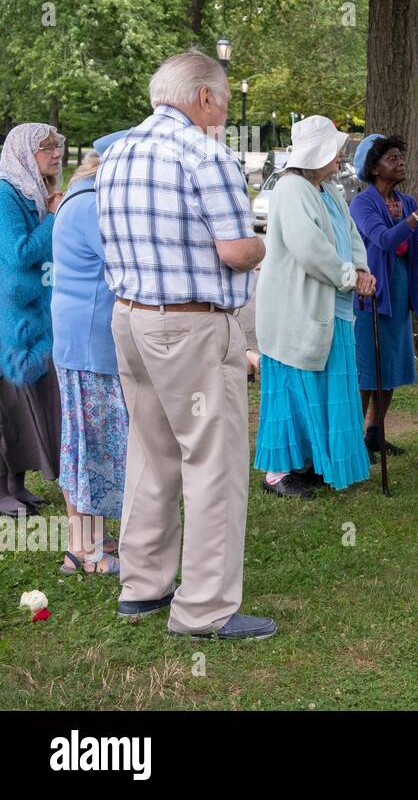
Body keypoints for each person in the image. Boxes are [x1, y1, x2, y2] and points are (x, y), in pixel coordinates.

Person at [98, 49, 275, 641]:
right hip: (191, 326)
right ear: (203, 97)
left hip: (130, 319)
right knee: (214, 461)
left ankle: (142, 584)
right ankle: (204, 609)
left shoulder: (115, 151)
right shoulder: (206, 153)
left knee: (149, 452)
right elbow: (234, 249)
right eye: (222, 103)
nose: (222, 115)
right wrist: (262, 247)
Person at [254, 116, 376, 499]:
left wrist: (360, 268)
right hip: (296, 308)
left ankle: (311, 463)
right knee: (292, 384)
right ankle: (278, 472)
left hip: (333, 306)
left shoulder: (328, 190)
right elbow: (308, 247)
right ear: (317, 153)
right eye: (335, 151)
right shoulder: (291, 189)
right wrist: (347, 276)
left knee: (328, 385)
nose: (340, 158)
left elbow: (351, 234)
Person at [52, 137, 130, 575]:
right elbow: (129, 263)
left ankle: (90, 540)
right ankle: (83, 552)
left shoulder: (84, 197)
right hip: (87, 346)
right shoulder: (90, 206)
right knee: (89, 447)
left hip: (84, 342)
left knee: (89, 444)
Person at [349, 134, 418, 459]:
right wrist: (417, 215)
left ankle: (375, 434)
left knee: (389, 367)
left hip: (400, 294)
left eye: (401, 157)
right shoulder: (363, 203)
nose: (400, 162)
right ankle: (352, 440)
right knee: (367, 370)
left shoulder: (405, 202)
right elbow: (383, 240)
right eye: (392, 158)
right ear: (373, 167)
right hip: (372, 296)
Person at [0, 123, 65, 518]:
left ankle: (17, 484)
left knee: (28, 401)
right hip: (10, 318)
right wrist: (54, 217)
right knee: (6, 402)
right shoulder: (5, 194)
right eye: (47, 148)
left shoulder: (34, 191)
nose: (56, 154)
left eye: (57, 147)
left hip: (36, 313)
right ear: (26, 153)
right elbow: (21, 253)